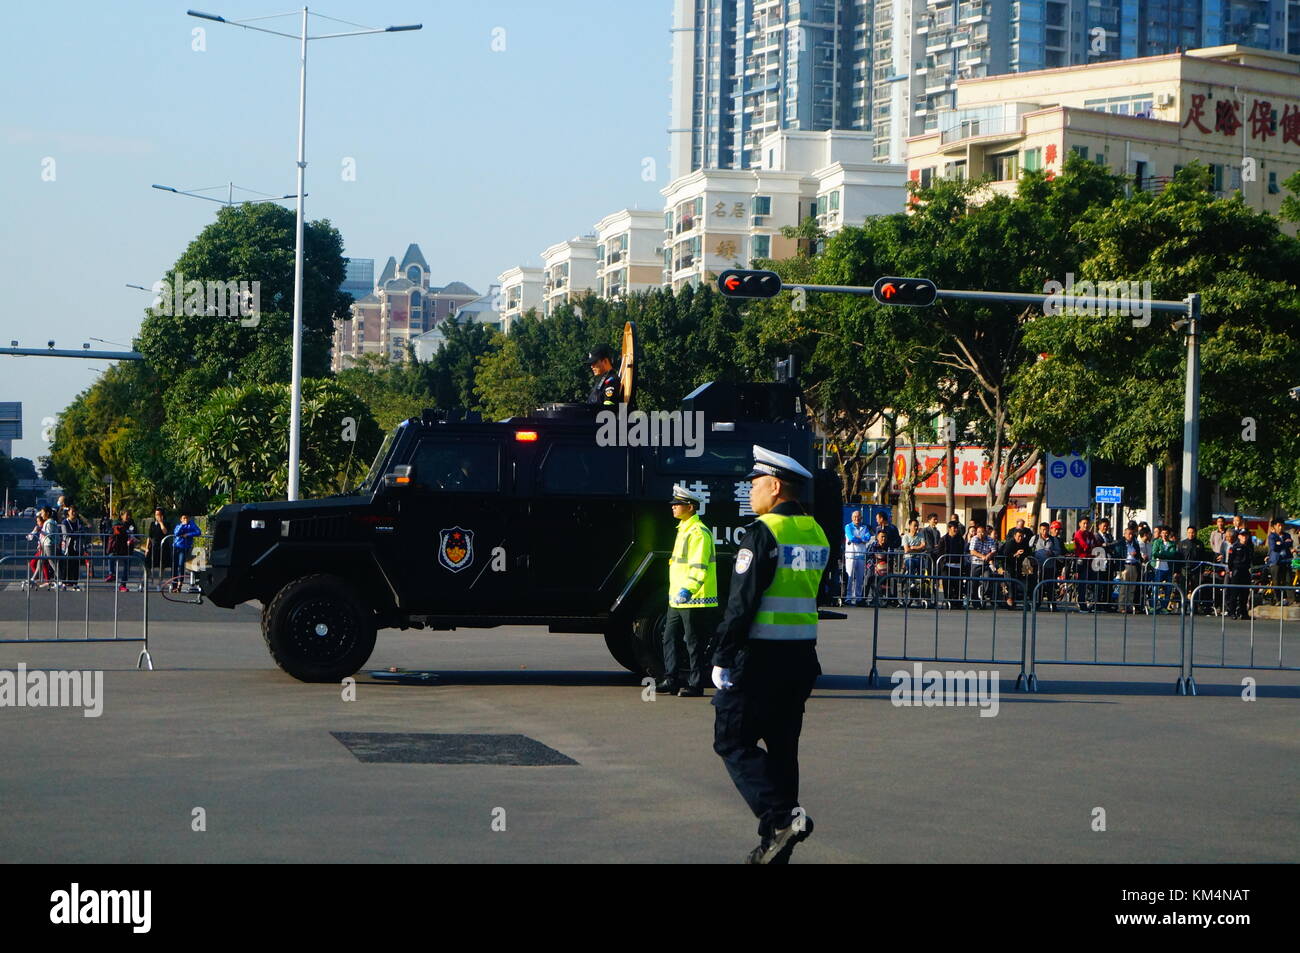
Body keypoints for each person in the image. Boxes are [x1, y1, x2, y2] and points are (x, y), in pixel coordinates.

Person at [710, 445, 826, 864]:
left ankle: (781, 819)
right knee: (781, 750)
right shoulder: (816, 532)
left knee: (731, 739)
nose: (750, 491)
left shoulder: (762, 532)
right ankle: (774, 846)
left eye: (755, 484)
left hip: (758, 659)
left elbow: (741, 605)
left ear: (775, 487)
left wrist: (722, 658)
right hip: (800, 660)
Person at [657, 485, 719, 697]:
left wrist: (688, 590)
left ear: (690, 507)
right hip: (677, 598)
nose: (673, 507)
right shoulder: (684, 529)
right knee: (669, 637)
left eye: (678, 504)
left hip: (694, 598)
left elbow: (699, 567)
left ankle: (696, 683)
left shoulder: (699, 533)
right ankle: (671, 679)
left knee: (693, 642)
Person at [1073, 516, 1103, 611]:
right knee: (1082, 583)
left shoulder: (1090, 534)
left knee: (1094, 582)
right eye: (1084, 523)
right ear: (1080, 524)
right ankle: (1082, 604)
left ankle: (1094, 603)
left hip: (1091, 561)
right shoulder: (1078, 534)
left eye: (1087, 523)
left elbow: (1096, 544)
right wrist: (1092, 548)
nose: (1086, 525)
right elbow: (1084, 546)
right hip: (1082, 561)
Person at [842, 510, 871, 607]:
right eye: (855, 517)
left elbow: (867, 538)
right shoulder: (848, 527)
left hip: (861, 556)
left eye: (858, 517)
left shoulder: (865, 527)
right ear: (852, 518)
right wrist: (861, 539)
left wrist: (860, 539)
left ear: (861, 518)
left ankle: (858, 597)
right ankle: (848, 597)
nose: (857, 519)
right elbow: (851, 538)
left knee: (859, 578)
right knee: (850, 577)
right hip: (851, 555)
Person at [1225, 530, 1253, 620]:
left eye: (1246, 535)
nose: (1244, 537)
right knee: (1234, 593)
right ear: (1239, 537)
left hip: (1246, 571)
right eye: (1242, 535)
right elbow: (1230, 560)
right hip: (1236, 571)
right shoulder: (1235, 547)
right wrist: (1231, 570)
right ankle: (1232, 612)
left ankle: (1243, 612)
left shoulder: (1249, 547)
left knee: (1244, 593)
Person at [937, 521, 966, 606]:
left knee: (957, 584)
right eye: (954, 528)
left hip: (957, 565)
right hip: (946, 565)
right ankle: (948, 601)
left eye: (957, 528)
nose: (956, 529)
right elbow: (940, 553)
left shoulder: (960, 539)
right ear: (949, 528)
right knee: (947, 584)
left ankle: (958, 602)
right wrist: (942, 564)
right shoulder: (943, 539)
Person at [967, 524, 997, 607]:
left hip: (986, 563)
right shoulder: (974, 539)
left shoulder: (990, 539)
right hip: (976, 562)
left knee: (987, 578)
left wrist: (989, 554)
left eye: (982, 532)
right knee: (974, 582)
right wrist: (982, 556)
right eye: (979, 532)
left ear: (986, 532)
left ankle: (982, 594)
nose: (980, 534)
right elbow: (972, 551)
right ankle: (975, 601)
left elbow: (994, 550)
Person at [1265, 519, 1293, 606]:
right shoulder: (1272, 536)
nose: (1281, 527)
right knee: (1276, 581)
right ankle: (1277, 599)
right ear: (1274, 527)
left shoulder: (1287, 535)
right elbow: (1274, 548)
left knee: (1288, 580)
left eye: (1282, 525)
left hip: (1286, 561)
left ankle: (1291, 600)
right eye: (1278, 525)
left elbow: (1289, 544)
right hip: (1275, 561)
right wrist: (1284, 543)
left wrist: (1280, 543)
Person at [1150, 526, 1178, 612]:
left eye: (1166, 533)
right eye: (1163, 533)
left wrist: (1162, 554)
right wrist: (1164, 554)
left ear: (1169, 534)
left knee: (1168, 589)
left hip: (1168, 569)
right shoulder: (1157, 542)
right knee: (1156, 588)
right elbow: (1154, 553)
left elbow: (1172, 554)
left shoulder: (1172, 544)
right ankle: (1153, 606)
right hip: (1158, 568)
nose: (1164, 535)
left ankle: (1164, 607)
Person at [171, 514, 202, 592]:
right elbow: (176, 533)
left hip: (184, 547)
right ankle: (174, 584)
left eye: (187, 518)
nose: (186, 520)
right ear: (181, 519)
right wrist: (182, 525)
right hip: (176, 546)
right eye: (184, 518)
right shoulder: (179, 525)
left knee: (181, 565)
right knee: (174, 565)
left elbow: (198, 532)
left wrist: (188, 534)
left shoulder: (191, 524)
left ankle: (180, 584)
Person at [60, 504, 88, 590]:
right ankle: (64, 582)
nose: (74, 513)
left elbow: (83, 531)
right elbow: (66, 533)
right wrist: (75, 533)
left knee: (76, 565)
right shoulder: (65, 522)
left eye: (75, 512)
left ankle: (74, 583)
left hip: (77, 546)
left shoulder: (79, 522)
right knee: (66, 564)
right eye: (72, 511)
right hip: (68, 546)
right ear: (68, 512)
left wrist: (76, 533)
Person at [1118, 527, 1145, 613]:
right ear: (1125, 534)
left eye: (1132, 534)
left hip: (1134, 565)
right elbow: (1118, 552)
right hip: (1125, 565)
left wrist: (1139, 557)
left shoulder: (1135, 543)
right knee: (1124, 586)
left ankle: (1129, 605)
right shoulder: (1121, 543)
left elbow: (1138, 554)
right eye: (1128, 534)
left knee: (1132, 587)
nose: (1130, 536)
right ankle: (1122, 606)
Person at [106, 514, 136, 591]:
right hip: (117, 548)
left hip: (127, 549)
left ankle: (123, 584)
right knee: (111, 557)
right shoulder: (116, 523)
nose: (128, 517)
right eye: (126, 515)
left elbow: (135, 535)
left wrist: (133, 539)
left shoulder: (132, 524)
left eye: (128, 515)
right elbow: (112, 531)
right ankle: (111, 573)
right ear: (121, 516)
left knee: (126, 565)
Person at [863, 529, 891, 607]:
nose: (883, 539)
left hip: (885, 567)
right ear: (877, 537)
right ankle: (864, 598)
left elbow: (891, 558)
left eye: (885, 537)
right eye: (882, 537)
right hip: (873, 566)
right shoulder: (873, 545)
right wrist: (875, 563)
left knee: (892, 578)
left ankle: (891, 599)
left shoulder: (888, 547)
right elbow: (868, 557)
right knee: (869, 577)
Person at [145, 508, 170, 583]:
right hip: (153, 545)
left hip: (163, 546)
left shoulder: (166, 523)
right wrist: (147, 548)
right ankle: (147, 577)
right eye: (156, 515)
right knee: (147, 563)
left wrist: (161, 522)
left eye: (159, 515)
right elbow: (149, 536)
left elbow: (165, 532)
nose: (157, 516)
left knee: (161, 566)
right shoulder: (152, 524)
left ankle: (159, 582)